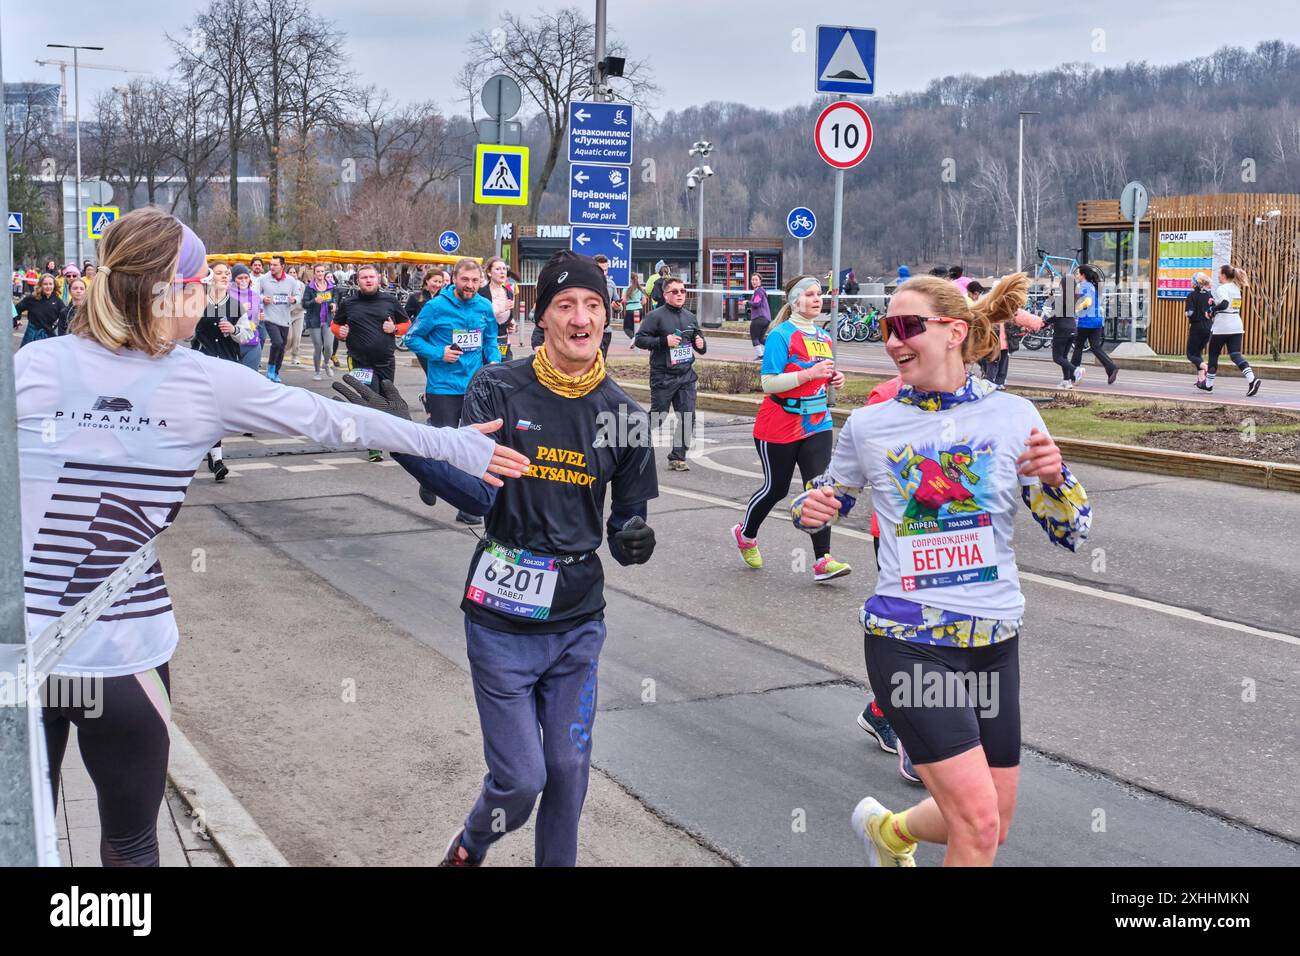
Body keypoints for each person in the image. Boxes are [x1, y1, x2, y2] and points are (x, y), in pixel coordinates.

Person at [15, 207, 528, 867]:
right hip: (127, 650)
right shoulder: (203, 380)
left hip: (24, 652)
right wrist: (451, 444)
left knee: (21, 839)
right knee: (133, 842)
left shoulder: (34, 368)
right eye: (200, 286)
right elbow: (335, 422)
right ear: (174, 292)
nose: (206, 301)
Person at [792, 272, 1092, 867]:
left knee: (993, 822)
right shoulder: (871, 425)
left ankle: (890, 832)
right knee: (976, 822)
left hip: (993, 641)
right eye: (886, 329)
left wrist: (1058, 480)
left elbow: (1071, 531)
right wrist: (811, 507)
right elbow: (827, 496)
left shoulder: (1013, 415)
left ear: (955, 332)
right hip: (910, 642)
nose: (893, 341)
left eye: (906, 327)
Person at [427, 250, 658, 868]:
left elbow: (627, 520)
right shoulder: (497, 386)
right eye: (566, 305)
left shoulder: (625, 417)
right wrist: (411, 443)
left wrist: (634, 535)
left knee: (568, 772)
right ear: (543, 316)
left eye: (593, 306)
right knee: (521, 781)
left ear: (607, 318)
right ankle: (471, 845)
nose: (580, 318)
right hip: (501, 621)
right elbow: (475, 492)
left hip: (577, 621)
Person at [732, 274, 851, 583]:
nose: (817, 299)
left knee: (819, 490)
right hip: (780, 424)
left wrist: (834, 379)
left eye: (820, 294)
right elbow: (769, 384)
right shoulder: (780, 336)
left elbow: (820, 376)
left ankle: (823, 560)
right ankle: (746, 535)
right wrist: (809, 373)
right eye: (810, 294)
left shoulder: (824, 338)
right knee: (777, 489)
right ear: (794, 300)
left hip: (818, 423)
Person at [405, 258, 498, 522]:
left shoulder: (484, 306)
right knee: (443, 444)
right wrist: (439, 352)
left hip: (476, 386)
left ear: (481, 282)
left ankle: (468, 507)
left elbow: (490, 341)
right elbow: (410, 338)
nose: (470, 285)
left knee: (474, 444)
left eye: (475, 281)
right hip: (444, 386)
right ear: (454, 279)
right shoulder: (436, 307)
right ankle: (429, 478)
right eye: (465, 280)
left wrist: (493, 363)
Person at [331, 263, 413, 461]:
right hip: (360, 361)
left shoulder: (390, 300)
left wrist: (394, 329)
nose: (368, 280)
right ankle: (373, 445)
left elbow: (406, 324)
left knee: (387, 398)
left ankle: (389, 437)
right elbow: (336, 324)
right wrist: (339, 332)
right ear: (357, 281)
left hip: (385, 360)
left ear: (378, 279)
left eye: (371, 277)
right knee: (370, 398)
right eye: (364, 277)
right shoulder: (349, 302)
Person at [191, 260, 257, 480]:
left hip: (228, 363)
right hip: (203, 363)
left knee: (220, 413)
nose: (224, 276)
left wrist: (235, 329)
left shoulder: (237, 306)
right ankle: (217, 460)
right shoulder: (197, 304)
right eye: (219, 273)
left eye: (227, 273)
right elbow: (184, 333)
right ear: (210, 277)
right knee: (211, 412)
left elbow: (247, 335)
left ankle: (211, 454)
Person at [635, 276, 705, 472]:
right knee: (658, 417)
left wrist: (701, 345)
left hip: (686, 375)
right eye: (675, 292)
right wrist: (663, 342)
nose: (680, 295)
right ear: (666, 295)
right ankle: (630, 445)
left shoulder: (690, 317)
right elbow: (640, 340)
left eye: (683, 291)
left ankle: (677, 457)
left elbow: (699, 343)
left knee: (687, 417)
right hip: (663, 375)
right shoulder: (655, 316)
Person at [1200, 264, 1261, 396]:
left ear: (1223, 275)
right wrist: (1214, 303)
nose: (1217, 276)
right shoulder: (1236, 288)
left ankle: (1209, 384)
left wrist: (1211, 310)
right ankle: (1252, 380)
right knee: (1235, 355)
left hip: (1222, 326)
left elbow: (1225, 304)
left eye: (1219, 274)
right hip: (1236, 325)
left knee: (1213, 355)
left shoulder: (1222, 288)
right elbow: (1228, 304)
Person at [1067, 265, 1118, 385]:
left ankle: (1073, 373)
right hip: (1097, 320)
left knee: (1078, 347)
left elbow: (1088, 301)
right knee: (1095, 347)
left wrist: (1076, 308)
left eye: (1078, 274)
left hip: (1086, 321)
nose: (1076, 276)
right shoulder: (1093, 286)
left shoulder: (1084, 286)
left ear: (1083, 275)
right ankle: (1111, 367)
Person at [255, 255, 299, 382]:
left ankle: (276, 372)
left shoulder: (291, 280)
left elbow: (297, 294)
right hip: (269, 317)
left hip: (285, 318)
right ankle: (270, 368)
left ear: (282, 266)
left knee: (282, 346)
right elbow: (256, 293)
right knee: (277, 342)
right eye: (270, 264)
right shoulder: (264, 279)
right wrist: (263, 299)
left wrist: (294, 299)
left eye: (275, 265)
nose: (271, 267)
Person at [405, 267, 448, 376]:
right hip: (423, 341)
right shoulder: (415, 297)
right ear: (427, 281)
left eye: (440, 282)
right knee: (430, 372)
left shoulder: (444, 298)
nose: (438, 285)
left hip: (440, 341)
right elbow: (405, 317)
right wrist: (418, 321)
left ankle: (429, 393)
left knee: (439, 373)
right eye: (435, 281)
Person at [302, 263, 337, 381]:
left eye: (322, 271)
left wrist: (334, 304)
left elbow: (335, 298)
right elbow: (304, 304)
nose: (320, 274)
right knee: (318, 347)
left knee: (328, 347)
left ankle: (326, 363)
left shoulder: (331, 287)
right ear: (314, 273)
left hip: (328, 320)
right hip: (314, 321)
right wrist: (314, 301)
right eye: (318, 272)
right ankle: (317, 372)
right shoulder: (310, 287)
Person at [479, 256, 516, 362]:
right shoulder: (481, 293)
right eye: (498, 269)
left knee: (506, 373)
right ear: (489, 273)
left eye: (504, 269)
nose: (502, 272)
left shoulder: (509, 292)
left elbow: (508, 315)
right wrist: (501, 308)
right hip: (486, 343)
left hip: (504, 342)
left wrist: (512, 323)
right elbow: (480, 317)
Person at [15, 273, 67, 348]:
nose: (48, 286)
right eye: (45, 284)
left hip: (49, 337)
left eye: (50, 284)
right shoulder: (32, 299)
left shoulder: (58, 301)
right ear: (41, 285)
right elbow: (17, 308)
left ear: (54, 285)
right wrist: (16, 320)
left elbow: (65, 317)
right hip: (31, 336)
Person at [1184, 272, 1216, 388]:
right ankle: (1201, 379)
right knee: (1197, 353)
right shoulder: (1210, 295)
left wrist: (1187, 313)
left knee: (1190, 354)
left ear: (1195, 283)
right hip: (1209, 327)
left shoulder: (1191, 296)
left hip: (1197, 327)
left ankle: (1207, 368)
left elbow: (1190, 312)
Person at [230, 264, 264, 373]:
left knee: (251, 377)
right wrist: (240, 310)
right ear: (233, 280)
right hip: (233, 343)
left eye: (246, 277)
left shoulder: (255, 296)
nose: (243, 280)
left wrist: (260, 317)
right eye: (240, 278)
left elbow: (256, 317)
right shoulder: (227, 294)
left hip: (252, 342)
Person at [593, 254, 618, 359]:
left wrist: (617, 307)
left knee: (602, 362)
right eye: (601, 270)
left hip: (606, 331)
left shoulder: (611, 284)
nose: (604, 273)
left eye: (606, 270)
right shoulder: (585, 284)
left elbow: (618, 305)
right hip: (591, 331)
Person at [284, 264, 309, 366]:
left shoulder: (301, 285)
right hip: (287, 314)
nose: (293, 274)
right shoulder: (283, 284)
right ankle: (282, 352)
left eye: (294, 272)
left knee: (297, 338)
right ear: (287, 273)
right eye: (290, 272)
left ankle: (295, 356)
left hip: (299, 313)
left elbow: (304, 298)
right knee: (289, 338)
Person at [748, 272, 772, 361]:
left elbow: (756, 303)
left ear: (760, 281)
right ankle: (774, 349)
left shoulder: (759, 291)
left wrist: (747, 302)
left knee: (754, 338)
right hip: (766, 319)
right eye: (752, 280)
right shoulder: (761, 291)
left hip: (759, 318)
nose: (754, 281)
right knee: (761, 339)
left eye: (756, 280)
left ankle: (760, 356)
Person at [622, 272, 644, 345]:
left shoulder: (626, 288)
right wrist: (637, 303)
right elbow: (644, 301)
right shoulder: (640, 288)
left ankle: (633, 338)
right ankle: (635, 342)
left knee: (627, 328)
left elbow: (624, 300)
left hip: (630, 309)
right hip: (640, 309)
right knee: (636, 328)